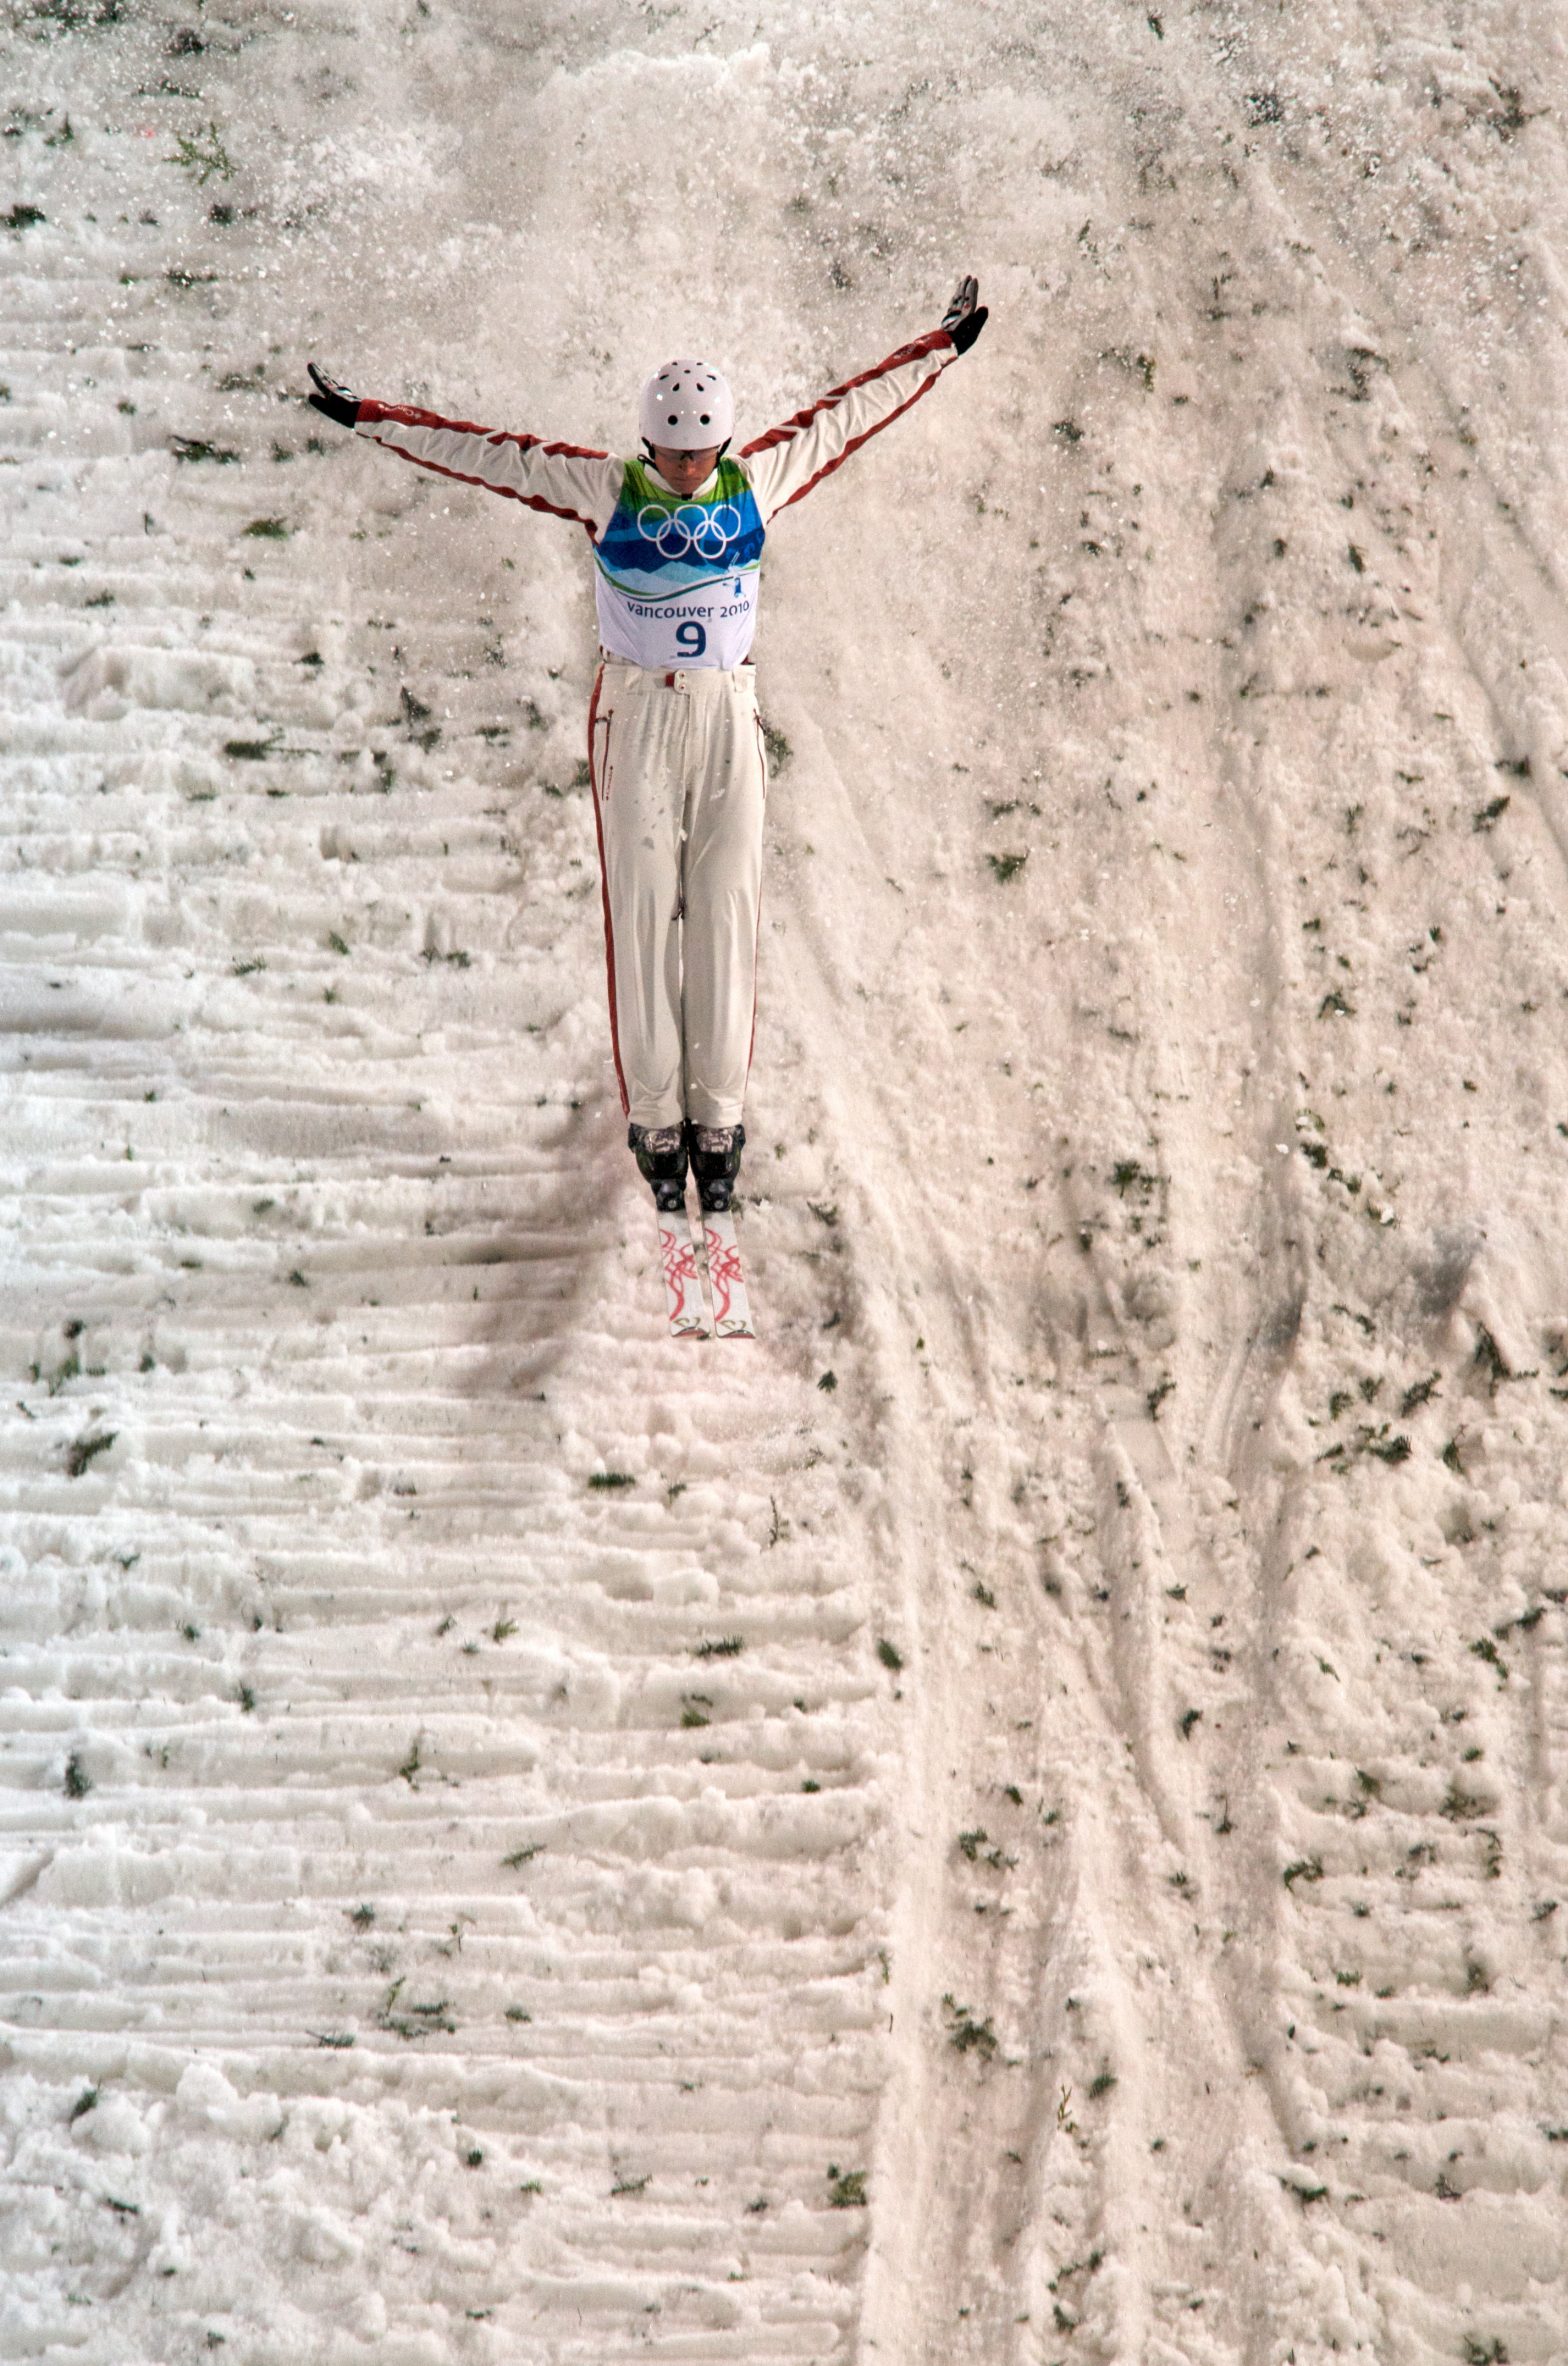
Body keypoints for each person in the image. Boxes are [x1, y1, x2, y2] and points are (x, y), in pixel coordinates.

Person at [305, 275, 988, 1216]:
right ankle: (658, 1123)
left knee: (725, 913)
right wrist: (368, 416)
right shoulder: (602, 485)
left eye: (696, 453)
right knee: (642, 913)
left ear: (721, 443)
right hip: (635, 719)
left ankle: (721, 1126)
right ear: (647, 443)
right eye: (668, 454)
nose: (680, 468)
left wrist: (940, 348)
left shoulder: (760, 478)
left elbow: (846, 414)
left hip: (725, 714)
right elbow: (488, 454)